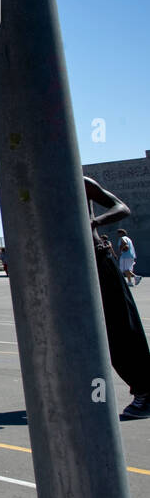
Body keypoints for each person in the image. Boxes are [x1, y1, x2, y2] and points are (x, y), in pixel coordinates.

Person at [86, 178, 150, 418]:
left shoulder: (79, 182)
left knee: (121, 327)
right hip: (64, 267)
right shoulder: (33, 187)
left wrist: (94, 221)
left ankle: (146, 390)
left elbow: (121, 207)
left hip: (97, 259)